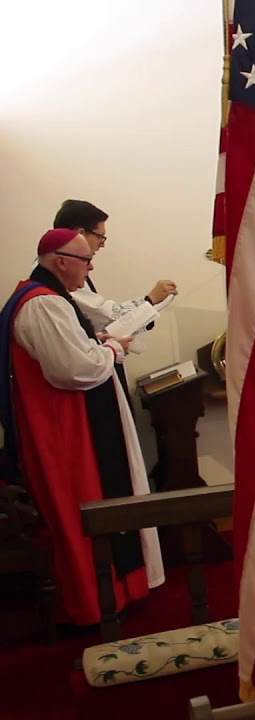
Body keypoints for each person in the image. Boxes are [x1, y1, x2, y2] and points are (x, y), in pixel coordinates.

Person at [0, 229, 164, 625]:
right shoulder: (43, 305)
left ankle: (119, 591)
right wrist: (110, 347)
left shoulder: (50, 298)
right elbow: (75, 369)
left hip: (72, 422)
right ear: (61, 262)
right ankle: (94, 603)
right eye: (86, 261)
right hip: (66, 431)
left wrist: (100, 343)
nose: (90, 268)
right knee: (87, 512)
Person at [52, 199, 178, 338]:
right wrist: (150, 299)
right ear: (80, 234)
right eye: (100, 237)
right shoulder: (61, 272)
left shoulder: (59, 267)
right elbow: (107, 319)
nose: (102, 245)